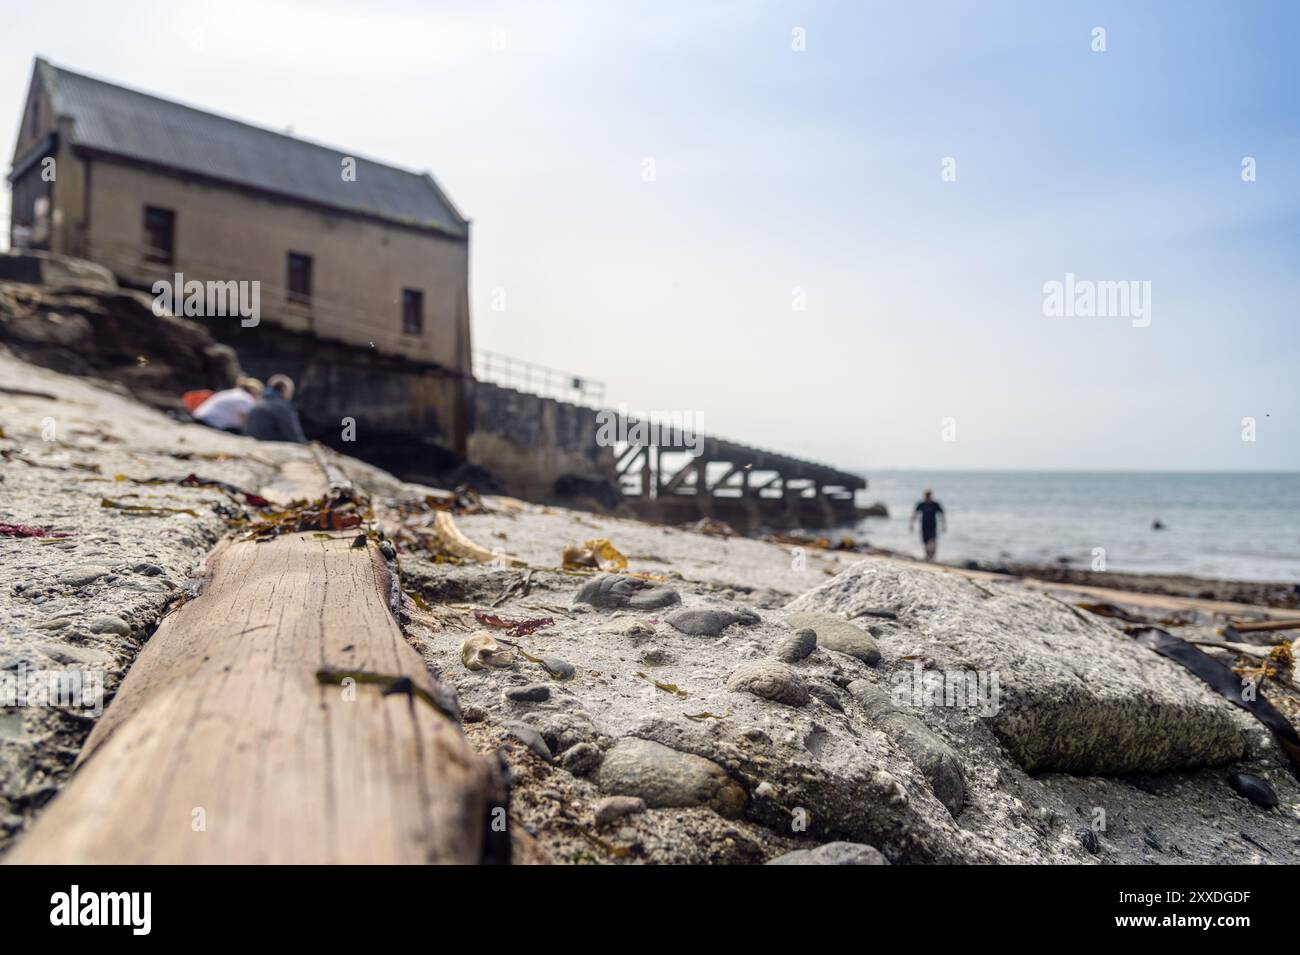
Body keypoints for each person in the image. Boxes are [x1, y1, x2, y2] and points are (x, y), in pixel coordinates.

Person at [244, 373, 307, 443]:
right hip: (268, 444)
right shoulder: (282, 406)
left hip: (251, 441)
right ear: (284, 390)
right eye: (291, 391)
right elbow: (292, 432)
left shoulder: (258, 402)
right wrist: (304, 444)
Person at [192, 378, 263, 433]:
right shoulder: (245, 398)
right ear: (255, 391)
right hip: (208, 423)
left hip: (199, 419)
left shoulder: (232, 393)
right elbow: (245, 422)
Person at [909, 488, 946, 561]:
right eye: (926, 495)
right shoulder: (921, 504)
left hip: (933, 526)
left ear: (931, 495)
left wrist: (943, 525)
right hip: (924, 526)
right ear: (924, 496)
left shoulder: (935, 504)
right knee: (925, 543)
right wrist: (912, 524)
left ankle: (933, 557)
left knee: (932, 542)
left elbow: (942, 514)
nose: (927, 497)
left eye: (929, 495)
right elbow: (914, 514)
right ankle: (927, 557)